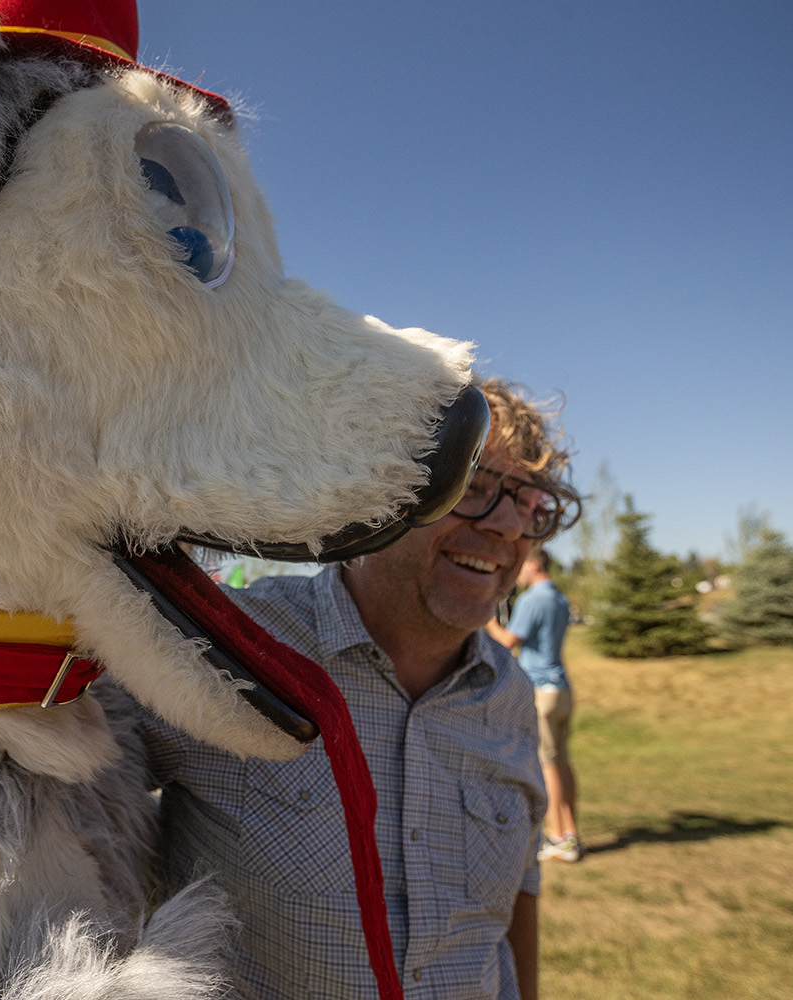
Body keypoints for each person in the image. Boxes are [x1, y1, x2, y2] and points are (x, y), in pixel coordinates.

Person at [142, 377, 580, 1000]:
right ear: (379, 494)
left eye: (531, 504)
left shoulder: (507, 693)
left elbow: (519, 893)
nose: (509, 526)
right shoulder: (224, 644)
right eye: (472, 487)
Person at [487, 550, 581, 863]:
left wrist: (487, 619)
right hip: (562, 689)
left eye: (522, 564)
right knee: (562, 762)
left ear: (534, 564)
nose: (517, 572)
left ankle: (558, 837)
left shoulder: (531, 599)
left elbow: (506, 642)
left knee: (547, 766)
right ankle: (570, 832)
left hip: (541, 691)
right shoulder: (559, 598)